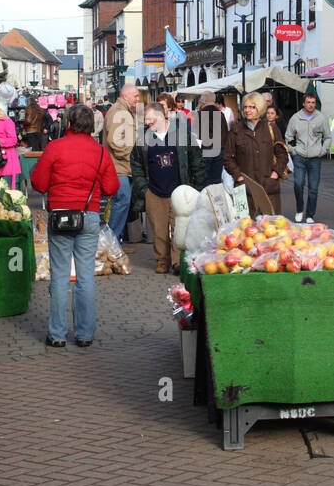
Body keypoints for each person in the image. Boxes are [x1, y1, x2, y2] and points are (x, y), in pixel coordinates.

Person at [30, 105, 120, 349]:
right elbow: (112, 188)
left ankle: (57, 334)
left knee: (59, 276)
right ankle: (84, 334)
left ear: (68, 123)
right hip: (88, 215)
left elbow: (38, 182)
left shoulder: (54, 147)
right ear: (92, 126)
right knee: (85, 277)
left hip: (60, 215)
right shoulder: (101, 152)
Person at [131, 101, 205, 273]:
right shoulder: (143, 137)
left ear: (161, 116)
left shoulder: (182, 134)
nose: (147, 123)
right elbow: (135, 163)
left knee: (180, 227)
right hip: (154, 191)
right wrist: (144, 189)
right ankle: (162, 260)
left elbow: (197, 160)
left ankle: (178, 261)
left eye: (150, 119)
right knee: (159, 230)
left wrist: (195, 187)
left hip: (179, 190)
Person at [224, 92, 287, 215]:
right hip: (243, 188)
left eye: (252, 107)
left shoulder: (271, 129)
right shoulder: (236, 130)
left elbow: (282, 154)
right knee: (243, 227)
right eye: (246, 107)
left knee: (270, 228)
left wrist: (275, 173)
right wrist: (238, 176)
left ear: (260, 108)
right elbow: (227, 158)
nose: (248, 110)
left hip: (268, 186)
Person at [102, 83, 140, 250]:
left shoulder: (124, 111)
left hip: (122, 166)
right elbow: (115, 141)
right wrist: (129, 156)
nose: (138, 99)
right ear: (126, 96)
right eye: (136, 96)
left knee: (122, 202)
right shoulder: (119, 112)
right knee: (121, 201)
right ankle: (112, 242)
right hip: (119, 167)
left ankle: (116, 241)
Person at [285, 88, 331, 224]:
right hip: (299, 156)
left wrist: (323, 150)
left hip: (315, 157)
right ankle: (300, 208)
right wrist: (292, 150)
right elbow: (288, 136)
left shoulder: (321, 118)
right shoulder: (296, 118)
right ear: (304, 103)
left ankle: (310, 214)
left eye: (313, 102)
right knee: (298, 183)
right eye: (308, 102)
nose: (311, 105)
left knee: (313, 188)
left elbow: (327, 136)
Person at [195, 91, 228, 186]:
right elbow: (225, 133)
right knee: (216, 180)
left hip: (206, 151)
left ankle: (206, 200)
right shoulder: (220, 114)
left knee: (205, 181)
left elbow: (196, 135)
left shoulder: (200, 114)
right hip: (219, 150)